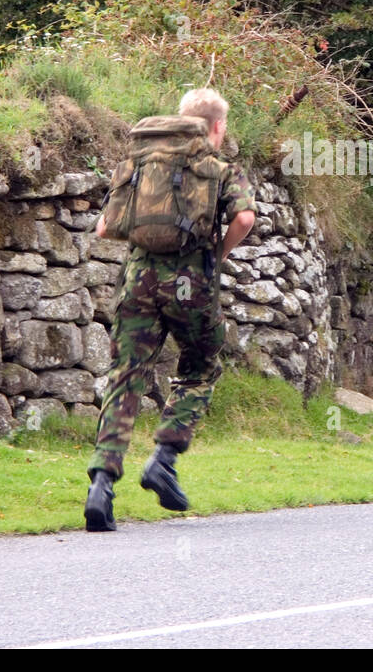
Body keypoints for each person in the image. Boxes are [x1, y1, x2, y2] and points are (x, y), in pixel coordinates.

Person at [84, 87, 256, 531]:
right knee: (199, 366)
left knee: (126, 375)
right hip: (189, 283)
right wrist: (218, 253)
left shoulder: (140, 163)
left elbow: (104, 228)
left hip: (138, 282)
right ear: (217, 126)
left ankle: (101, 486)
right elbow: (244, 218)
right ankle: (163, 458)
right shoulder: (219, 168)